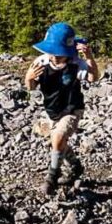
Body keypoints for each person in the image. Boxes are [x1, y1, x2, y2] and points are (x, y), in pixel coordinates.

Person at [23, 21, 100, 196]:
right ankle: (75, 166)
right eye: (52, 52)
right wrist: (28, 78)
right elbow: (31, 87)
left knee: (57, 138)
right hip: (52, 110)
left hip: (72, 108)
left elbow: (93, 78)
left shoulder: (75, 64)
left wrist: (89, 59)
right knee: (57, 143)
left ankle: (52, 176)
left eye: (60, 54)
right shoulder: (41, 62)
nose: (55, 57)